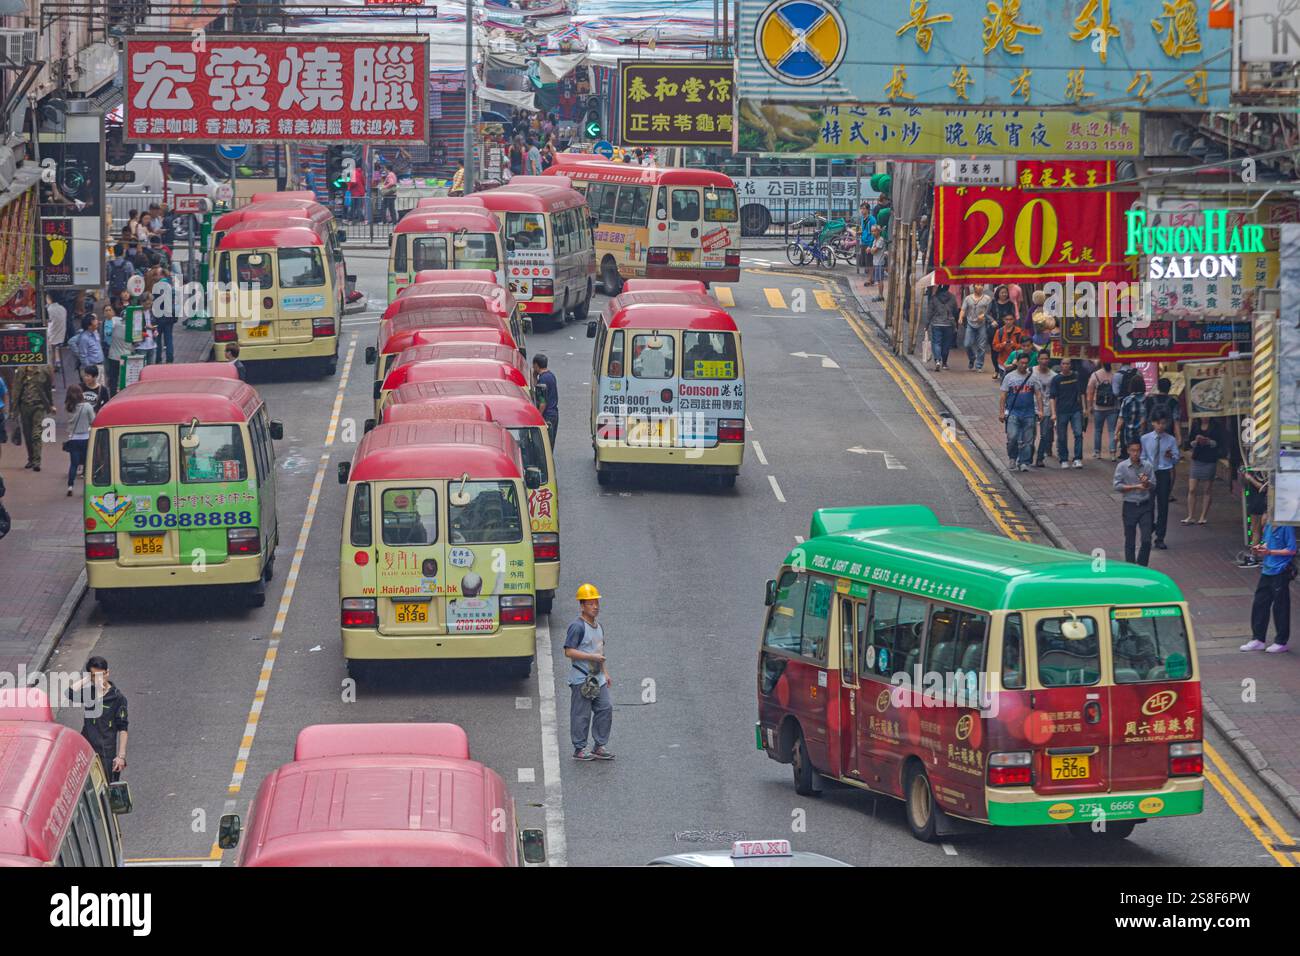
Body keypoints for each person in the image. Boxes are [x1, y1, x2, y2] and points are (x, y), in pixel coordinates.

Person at [565, 583, 614, 760]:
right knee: (581, 715)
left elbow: (600, 652)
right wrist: (591, 658)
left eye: (596, 603)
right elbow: (569, 651)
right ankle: (579, 748)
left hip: (598, 677)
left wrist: (605, 673)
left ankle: (599, 745)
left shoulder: (599, 627)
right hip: (581, 679)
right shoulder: (577, 627)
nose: (595, 607)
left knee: (605, 708)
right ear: (582, 606)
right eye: (591, 603)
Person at [1240, 522, 1297, 653]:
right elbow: (1267, 543)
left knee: (1280, 606)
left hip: (1280, 570)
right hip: (1267, 570)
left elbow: (1292, 549)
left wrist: (1270, 551)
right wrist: (1260, 548)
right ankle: (1258, 639)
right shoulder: (1270, 526)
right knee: (1259, 603)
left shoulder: (1286, 527)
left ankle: (1281, 641)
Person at [1140, 413, 1180, 551]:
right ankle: (1150, 528)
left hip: (1164, 473)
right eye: (1159, 423)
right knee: (1148, 505)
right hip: (1150, 473)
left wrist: (1171, 456)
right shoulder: (1145, 439)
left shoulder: (1170, 440)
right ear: (1153, 423)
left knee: (1163, 506)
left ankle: (1160, 537)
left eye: (1164, 423)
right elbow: (1142, 457)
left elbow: (1176, 459)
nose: (1161, 426)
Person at [1114, 440, 1156, 566]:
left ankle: (1142, 565)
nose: (1135, 453)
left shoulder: (1147, 466)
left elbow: (1154, 485)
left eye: (1138, 450)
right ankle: (1131, 566)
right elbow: (1117, 486)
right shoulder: (1122, 466)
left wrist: (1146, 483)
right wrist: (1135, 486)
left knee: (1146, 539)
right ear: (1128, 451)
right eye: (1133, 450)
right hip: (1130, 505)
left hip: (1145, 506)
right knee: (1130, 540)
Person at [999, 353, 1041, 473]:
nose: (1023, 365)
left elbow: (1038, 394)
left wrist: (1040, 410)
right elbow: (1003, 396)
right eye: (1021, 363)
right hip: (1013, 412)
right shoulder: (1009, 377)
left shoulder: (1033, 378)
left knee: (1028, 440)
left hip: (1029, 413)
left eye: (1026, 363)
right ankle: (1012, 457)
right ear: (1016, 362)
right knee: (1012, 437)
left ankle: (1024, 462)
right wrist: (1001, 412)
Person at [1176, 416, 1223, 525]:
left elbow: (1219, 443)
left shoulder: (1216, 426)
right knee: (1192, 489)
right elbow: (1190, 442)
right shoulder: (1196, 424)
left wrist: (1208, 441)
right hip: (1197, 458)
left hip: (1210, 459)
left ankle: (1203, 516)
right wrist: (1196, 441)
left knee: (1207, 489)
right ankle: (1191, 515)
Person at [13, 360, 54, 471]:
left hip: (38, 406)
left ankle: (37, 461)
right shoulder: (21, 370)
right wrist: (14, 409)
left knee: (36, 433)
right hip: (24, 406)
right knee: (27, 434)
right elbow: (16, 390)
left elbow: (48, 389)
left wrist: (51, 404)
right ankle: (31, 458)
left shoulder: (44, 370)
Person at [1050, 357, 1085, 469]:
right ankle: (1063, 459)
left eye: (1067, 364)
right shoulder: (1056, 379)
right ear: (1061, 365)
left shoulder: (1076, 376)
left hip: (1075, 410)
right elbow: (1052, 397)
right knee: (1062, 436)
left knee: (1078, 434)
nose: (1065, 366)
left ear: (1070, 365)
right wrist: (1053, 413)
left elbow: (1081, 392)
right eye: (1063, 363)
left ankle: (1078, 458)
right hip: (1061, 411)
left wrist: (1084, 408)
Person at [64, 384, 95, 496]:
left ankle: (70, 486)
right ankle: (86, 488)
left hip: (73, 438)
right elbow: (93, 421)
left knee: (74, 464)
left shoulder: (68, 407)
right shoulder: (87, 406)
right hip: (85, 438)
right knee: (87, 464)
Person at [1028, 351, 1056, 467]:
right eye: (1042, 359)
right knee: (1031, 435)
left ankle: (1040, 458)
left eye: (1046, 359)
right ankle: (1029, 455)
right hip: (1031, 407)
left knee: (1044, 435)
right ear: (1038, 359)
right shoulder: (1031, 371)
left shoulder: (1053, 376)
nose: (1044, 361)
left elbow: (1053, 395)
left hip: (1046, 408)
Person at [1087, 362, 1119, 460]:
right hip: (1112, 407)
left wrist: (1090, 406)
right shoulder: (1115, 375)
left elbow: (1090, 391)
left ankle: (1097, 452)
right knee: (1112, 430)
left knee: (1098, 430)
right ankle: (1113, 453)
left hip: (1098, 407)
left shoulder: (1095, 375)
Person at [923, 284, 958, 372]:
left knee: (937, 343)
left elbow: (930, 312)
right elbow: (956, 311)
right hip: (949, 323)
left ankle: (937, 360)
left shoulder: (934, 298)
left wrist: (926, 325)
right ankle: (945, 363)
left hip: (936, 323)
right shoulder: (953, 297)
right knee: (946, 344)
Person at [1239, 467, 1270, 567]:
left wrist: (1250, 478)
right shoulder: (1251, 469)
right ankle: (1257, 554)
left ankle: (1255, 556)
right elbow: (1243, 484)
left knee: (1258, 530)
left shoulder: (1263, 470)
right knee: (1255, 530)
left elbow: (1263, 487)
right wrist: (1243, 475)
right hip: (1254, 502)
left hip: (1261, 502)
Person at [960, 283, 991, 371]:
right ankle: (972, 357)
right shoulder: (968, 298)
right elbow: (963, 309)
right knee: (967, 344)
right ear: (973, 286)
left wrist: (984, 315)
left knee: (981, 346)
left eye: (981, 285)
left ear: (983, 287)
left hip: (982, 324)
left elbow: (990, 311)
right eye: (977, 285)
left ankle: (979, 365)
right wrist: (960, 317)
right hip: (970, 324)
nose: (979, 287)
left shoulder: (987, 299)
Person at [1144, 377, 1182, 443]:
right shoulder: (1174, 402)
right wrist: (1179, 437)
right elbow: (1176, 420)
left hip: (1151, 434)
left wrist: (1142, 433)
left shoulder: (1149, 400)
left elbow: (1144, 419)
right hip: (1167, 434)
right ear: (1169, 388)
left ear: (1158, 388)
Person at [991, 311, 1026, 381]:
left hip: (1016, 362)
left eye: (1011, 319)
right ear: (1003, 320)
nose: (1009, 321)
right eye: (1007, 319)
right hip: (1003, 362)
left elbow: (1024, 346)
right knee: (1004, 382)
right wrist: (1003, 344)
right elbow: (995, 347)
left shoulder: (1019, 331)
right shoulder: (999, 332)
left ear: (1014, 320)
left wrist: (1014, 345)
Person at [103, 305, 130, 397]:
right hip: (125, 356)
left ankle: (113, 396)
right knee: (124, 378)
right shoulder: (131, 328)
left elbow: (110, 321)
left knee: (113, 378)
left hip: (113, 356)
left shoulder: (115, 323)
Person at [532, 353, 558, 445]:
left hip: (547, 416)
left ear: (536, 365)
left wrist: (538, 416)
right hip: (554, 413)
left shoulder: (542, 380)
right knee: (551, 442)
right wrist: (535, 377)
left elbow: (542, 401)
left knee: (545, 444)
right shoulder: (551, 376)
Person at [1118, 374, 1147, 449]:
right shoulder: (1148, 400)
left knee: (1132, 455)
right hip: (1145, 434)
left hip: (1130, 433)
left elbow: (1121, 418)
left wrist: (1116, 432)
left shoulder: (1127, 400)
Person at [45, 291, 67, 373]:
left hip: (52, 335)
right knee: (55, 347)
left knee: (50, 350)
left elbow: (47, 323)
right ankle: (57, 362)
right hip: (61, 335)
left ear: (50, 299)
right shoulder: (62, 308)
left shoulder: (49, 309)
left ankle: (51, 367)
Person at [868, 225, 885, 300]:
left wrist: (870, 250)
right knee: (878, 279)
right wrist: (871, 250)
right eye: (872, 231)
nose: (873, 233)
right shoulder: (875, 240)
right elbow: (872, 251)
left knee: (880, 279)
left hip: (880, 262)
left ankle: (881, 296)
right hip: (876, 262)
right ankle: (879, 294)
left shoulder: (881, 240)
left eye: (874, 231)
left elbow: (874, 250)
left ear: (878, 231)